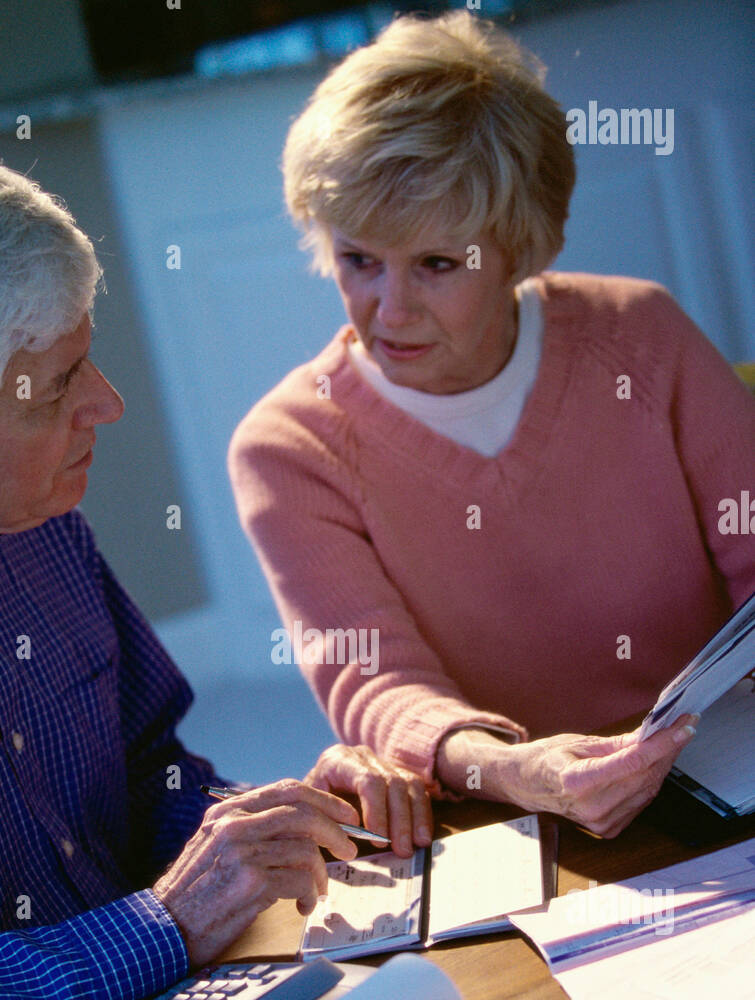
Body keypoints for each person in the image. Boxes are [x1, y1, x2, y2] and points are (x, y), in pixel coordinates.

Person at [0, 147, 432, 1000]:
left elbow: (146, 770)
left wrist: (279, 823)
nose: (108, 402)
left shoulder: (38, 526)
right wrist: (159, 928)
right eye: (56, 387)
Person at [229, 11, 755, 841]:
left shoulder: (642, 336)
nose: (389, 310)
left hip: (731, 777)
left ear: (519, 248)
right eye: (358, 259)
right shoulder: (289, 447)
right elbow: (376, 688)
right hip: (516, 826)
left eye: (437, 265)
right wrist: (520, 770)